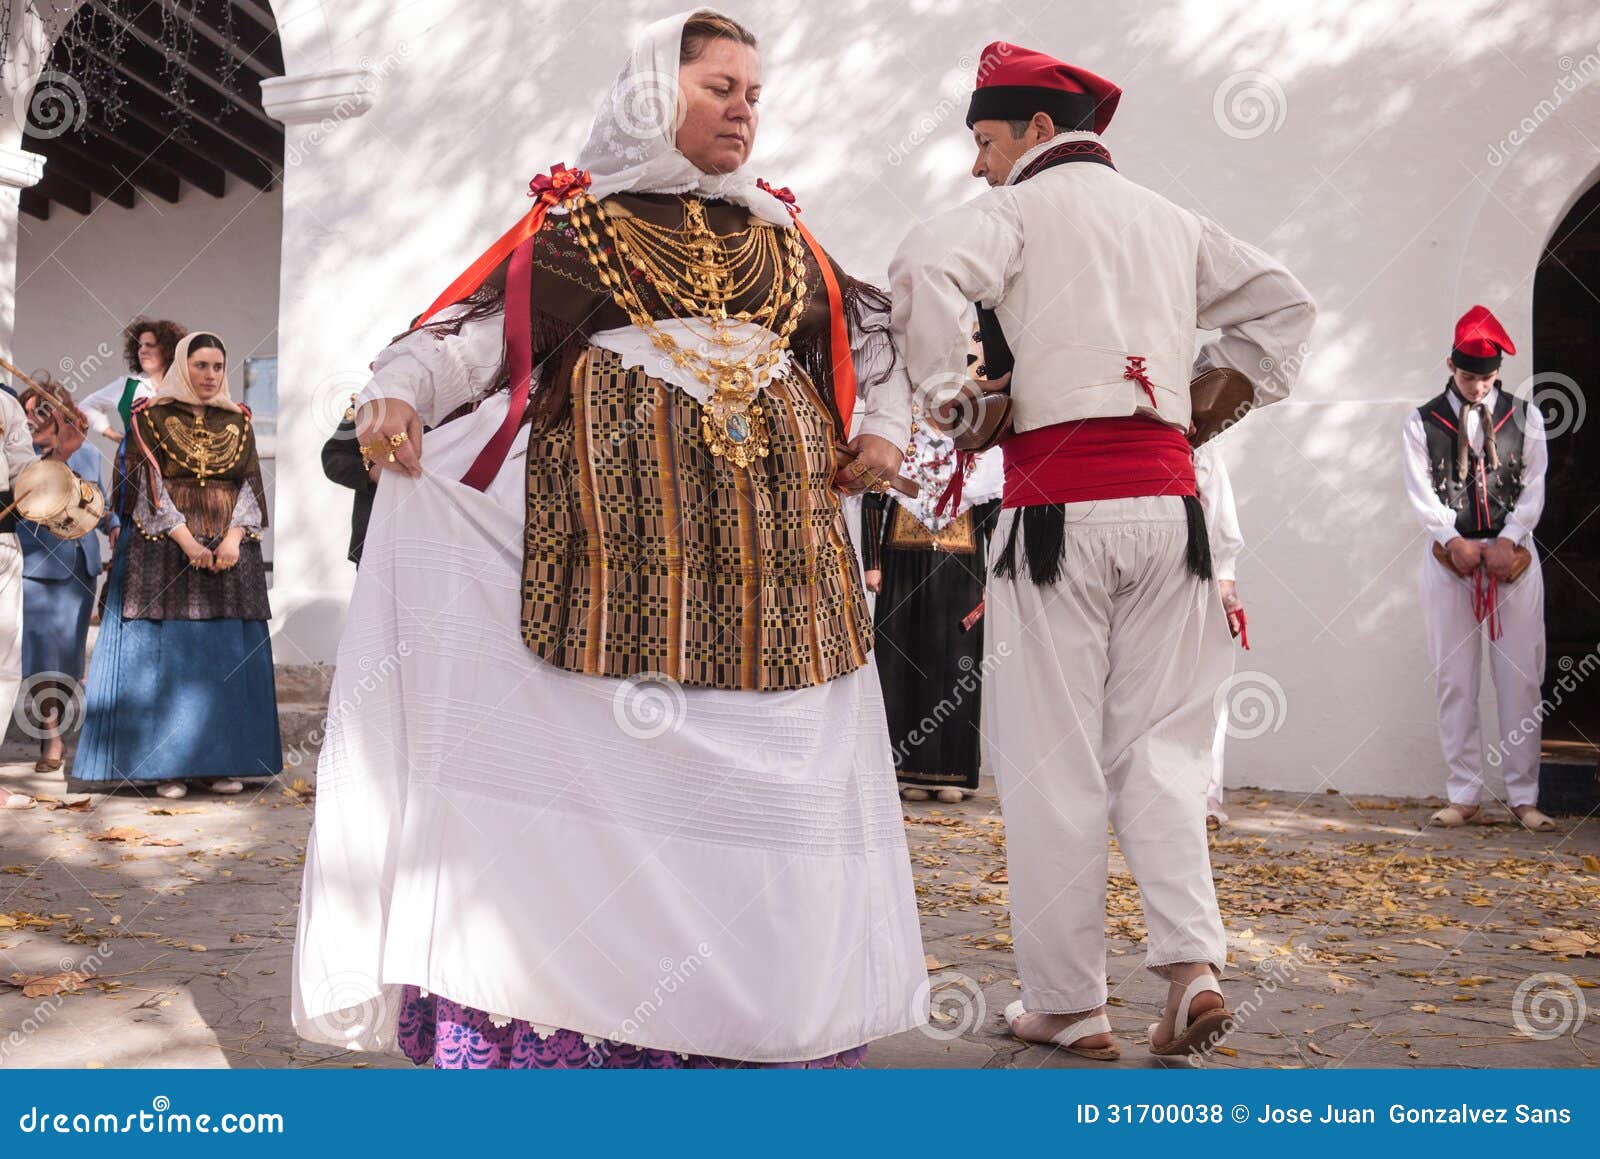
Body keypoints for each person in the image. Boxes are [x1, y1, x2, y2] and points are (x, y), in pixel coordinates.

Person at [293, 9, 926, 1069]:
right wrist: (396, 394)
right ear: (649, 96)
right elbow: (465, 338)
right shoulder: (576, 231)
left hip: (783, 576)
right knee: (611, 771)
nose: (742, 109)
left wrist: (884, 424)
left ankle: (762, 1029)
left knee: (776, 786)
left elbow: (875, 341)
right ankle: (591, 1027)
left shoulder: (785, 238)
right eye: (719, 86)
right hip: (605, 555)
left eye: (754, 94)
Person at [890, 42, 1315, 1058]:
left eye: (986, 141)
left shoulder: (1016, 212)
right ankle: (1192, 971)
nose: (977, 165)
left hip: (1056, 519)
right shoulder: (1173, 221)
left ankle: (1071, 1004)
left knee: (1053, 763)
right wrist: (1207, 402)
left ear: (1038, 130)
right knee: (1163, 750)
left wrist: (957, 399)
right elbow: (1285, 306)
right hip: (1171, 516)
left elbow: (920, 264)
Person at [73, 333, 280, 800]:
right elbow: (148, 485)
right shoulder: (151, 416)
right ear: (183, 368)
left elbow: (250, 484)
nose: (209, 375)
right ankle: (166, 766)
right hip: (164, 548)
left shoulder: (239, 421)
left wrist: (231, 538)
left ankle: (219, 762)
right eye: (201, 365)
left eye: (217, 366)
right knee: (170, 658)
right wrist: (187, 542)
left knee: (221, 657)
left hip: (230, 550)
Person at [1402, 306, 1552, 832]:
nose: (1477, 389)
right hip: (1451, 564)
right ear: (1450, 366)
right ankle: (1463, 792)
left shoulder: (1527, 417)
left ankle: (1523, 795)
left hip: (1513, 563)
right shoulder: (1419, 421)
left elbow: (1533, 487)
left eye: (1486, 379)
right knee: (1455, 679)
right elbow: (1420, 490)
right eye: (1468, 377)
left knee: (1521, 679)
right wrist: (1452, 539)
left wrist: (1509, 540)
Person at [861, 331, 1003, 805]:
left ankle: (952, 772)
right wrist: (872, 562)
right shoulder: (903, 437)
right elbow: (874, 498)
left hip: (961, 566)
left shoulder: (979, 446)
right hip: (902, 559)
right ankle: (902, 768)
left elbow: (992, 511)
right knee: (901, 656)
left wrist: (992, 573)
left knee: (955, 664)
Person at [17, 378, 116, 773]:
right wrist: (54, 455)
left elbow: (99, 500)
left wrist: (114, 523)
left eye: (39, 412)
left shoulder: (88, 453)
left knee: (71, 661)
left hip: (80, 570)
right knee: (43, 658)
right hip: (39, 569)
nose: (31, 421)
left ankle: (60, 726)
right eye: (26, 415)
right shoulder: (21, 458)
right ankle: (51, 738)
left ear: (59, 414)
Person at [1194, 439, 1247, 829]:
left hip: (1198, 579)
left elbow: (1223, 520)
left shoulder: (1203, 450)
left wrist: (1226, 585)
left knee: (1209, 687)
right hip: (1140, 581)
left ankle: (1206, 794)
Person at [0, 385, 41, 809]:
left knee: (4, 663)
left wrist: (55, 485)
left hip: (1, 543)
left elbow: (23, 472)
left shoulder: (5, 400)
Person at [320, 396, 376, 566]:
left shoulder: (456, 405)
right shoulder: (366, 405)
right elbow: (333, 458)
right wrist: (371, 472)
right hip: (376, 538)